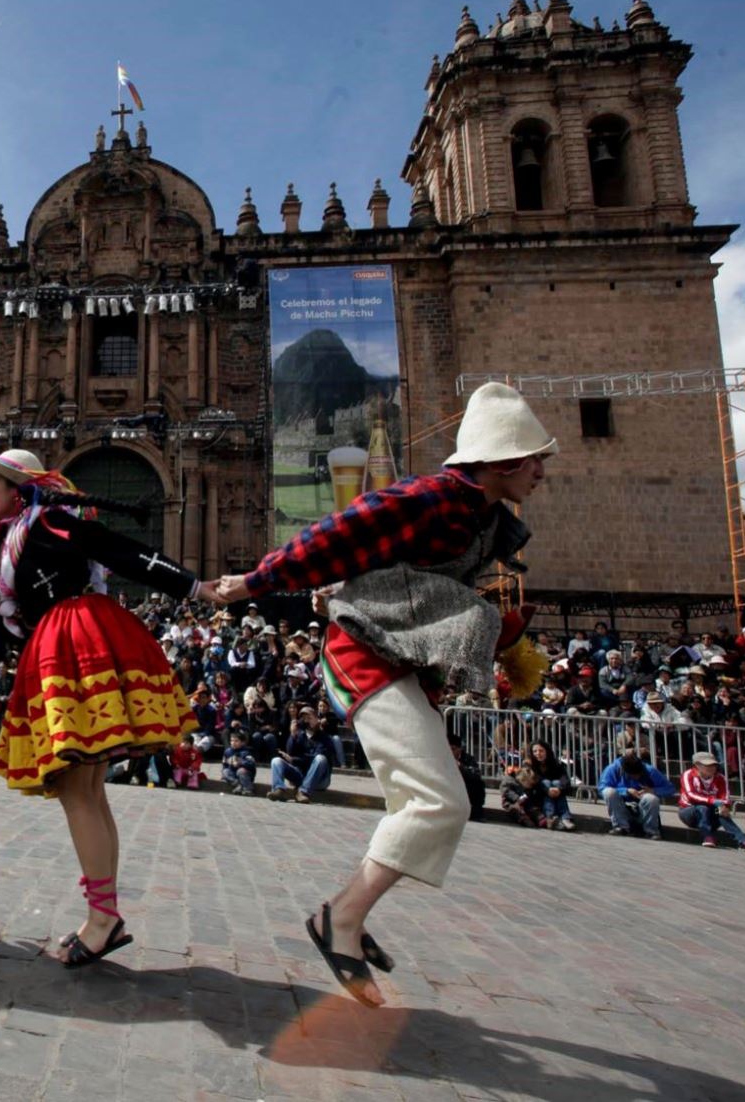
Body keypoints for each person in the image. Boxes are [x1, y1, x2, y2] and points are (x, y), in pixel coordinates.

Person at [236, 381, 555, 1006]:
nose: (544, 470)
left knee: (432, 798)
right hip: (363, 656)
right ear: (504, 459)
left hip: (398, 661)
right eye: (536, 457)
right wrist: (253, 582)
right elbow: (337, 532)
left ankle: (346, 914)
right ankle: (343, 919)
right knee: (439, 800)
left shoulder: (483, 515)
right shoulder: (433, 496)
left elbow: (432, 593)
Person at [0, 447, 238, 967]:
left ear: (19, 488)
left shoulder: (48, 522)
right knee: (87, 789)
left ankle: (103, 918)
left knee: (77, 788)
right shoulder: (15, 540)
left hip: (74, 643)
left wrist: (193, 586)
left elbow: (119, 549)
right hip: (58, 642)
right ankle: (103, 912)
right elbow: (11, 628)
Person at [677, 750, 745, 852]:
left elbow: (725, 797)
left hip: (712, 812)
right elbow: (691, 795)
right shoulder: (688, 775)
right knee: (703, 808)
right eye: (707, 765)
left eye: (713, 765)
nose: (712, 768)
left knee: (719, 812)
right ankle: (707, 836)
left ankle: (743, 841)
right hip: (689, 811)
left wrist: (723, 806)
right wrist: (714, 802)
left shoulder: (720, 778)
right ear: (697, 765)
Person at [597, 750, 676, 839]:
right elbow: (602, 788)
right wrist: (625, 791)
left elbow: (670, 789)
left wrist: (653, 790)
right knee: (609, 792)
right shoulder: (613, 769)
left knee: (651, 798)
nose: (636, 777)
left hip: (643, 809)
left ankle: (651, 831)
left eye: (638, 774)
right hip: (621, 807)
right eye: (633, 775)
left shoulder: (650, 770)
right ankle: (621, 827)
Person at [267, 708, 335, 803]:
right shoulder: (300, 735)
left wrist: (294, 760)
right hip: (300, 775)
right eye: (304, 718)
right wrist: (293, 735)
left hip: (320, 780)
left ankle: (303, 792)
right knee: (276, 761)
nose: (307, 721)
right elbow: (290, 751)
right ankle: (279, 790)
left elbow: (315, 757)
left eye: (309, 718)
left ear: (317, 719)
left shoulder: (325, 738)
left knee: (320, 758)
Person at [523, 741, 575, 830]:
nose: (538, 754)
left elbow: (565, 780)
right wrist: (547, 790)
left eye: (541, 751)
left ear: (547, 751)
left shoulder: (555, 764)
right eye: (535, 751)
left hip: (555, 795)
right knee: (546, 782)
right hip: (537, 796)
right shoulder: (529, 765)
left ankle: (565, 818)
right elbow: (532, 784)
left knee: (557, 783)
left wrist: (559, 789)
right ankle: (551, 816)